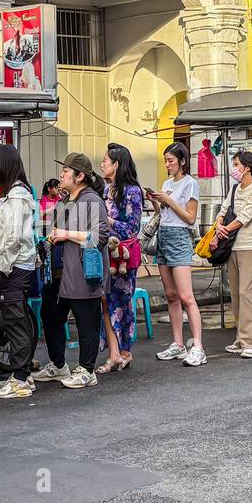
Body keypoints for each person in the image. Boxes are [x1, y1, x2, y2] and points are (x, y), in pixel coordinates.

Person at [33, 153, 110, 389]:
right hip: (59, 272)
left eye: (66, 170)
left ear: (80, 176)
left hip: (83, 272)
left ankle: (87, 370)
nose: (62, 174)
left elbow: (101, 236)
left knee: (86, 321)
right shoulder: (66, 200)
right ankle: (58, 365)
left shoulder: (92, 200)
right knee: (51, 317)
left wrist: (66, 235)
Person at [146, 142, 207, 366]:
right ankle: (178, 343)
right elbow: (164, 214)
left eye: (171, 160)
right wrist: (155, 201)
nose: (167, 165)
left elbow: (190, 218)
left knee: (186, 296)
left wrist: (169, 200)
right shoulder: (167, 183)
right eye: (165, 161)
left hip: (180, 237)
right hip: (164, 235)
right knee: (170, 295)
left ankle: (198, 346)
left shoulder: (190, 184)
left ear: (182, 161)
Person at [0, 145, 39, 397]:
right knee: (17, 320)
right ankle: (22, 375)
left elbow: (14, 236)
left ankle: (20, 379)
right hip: (18, 266)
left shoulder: (17, 197)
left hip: (15, 268)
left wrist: (3, 265)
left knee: (15, 321)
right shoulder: (18, 194)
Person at [98, 143, 143, 373]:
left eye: (105, 160)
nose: (102, 163)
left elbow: (133, 229)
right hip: (106, 254)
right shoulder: (107, 190)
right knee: (105, 302)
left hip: (124, 259)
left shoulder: (132, 191)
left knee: (122, 304)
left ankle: (125, 352)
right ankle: (113, 353)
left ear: (116, 164)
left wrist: (110, 222)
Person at [217, 150, 252, 358]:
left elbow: (245, 217)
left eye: (236, 164)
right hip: (232, 246)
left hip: (249, 245)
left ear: (247, 167)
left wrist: (225, 230)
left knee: (246, 293)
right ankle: (241, 337)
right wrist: (218, 224)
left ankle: (251, 343)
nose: (234, 169)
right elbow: (224, 209)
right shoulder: (235, 188)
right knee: (235, 294)